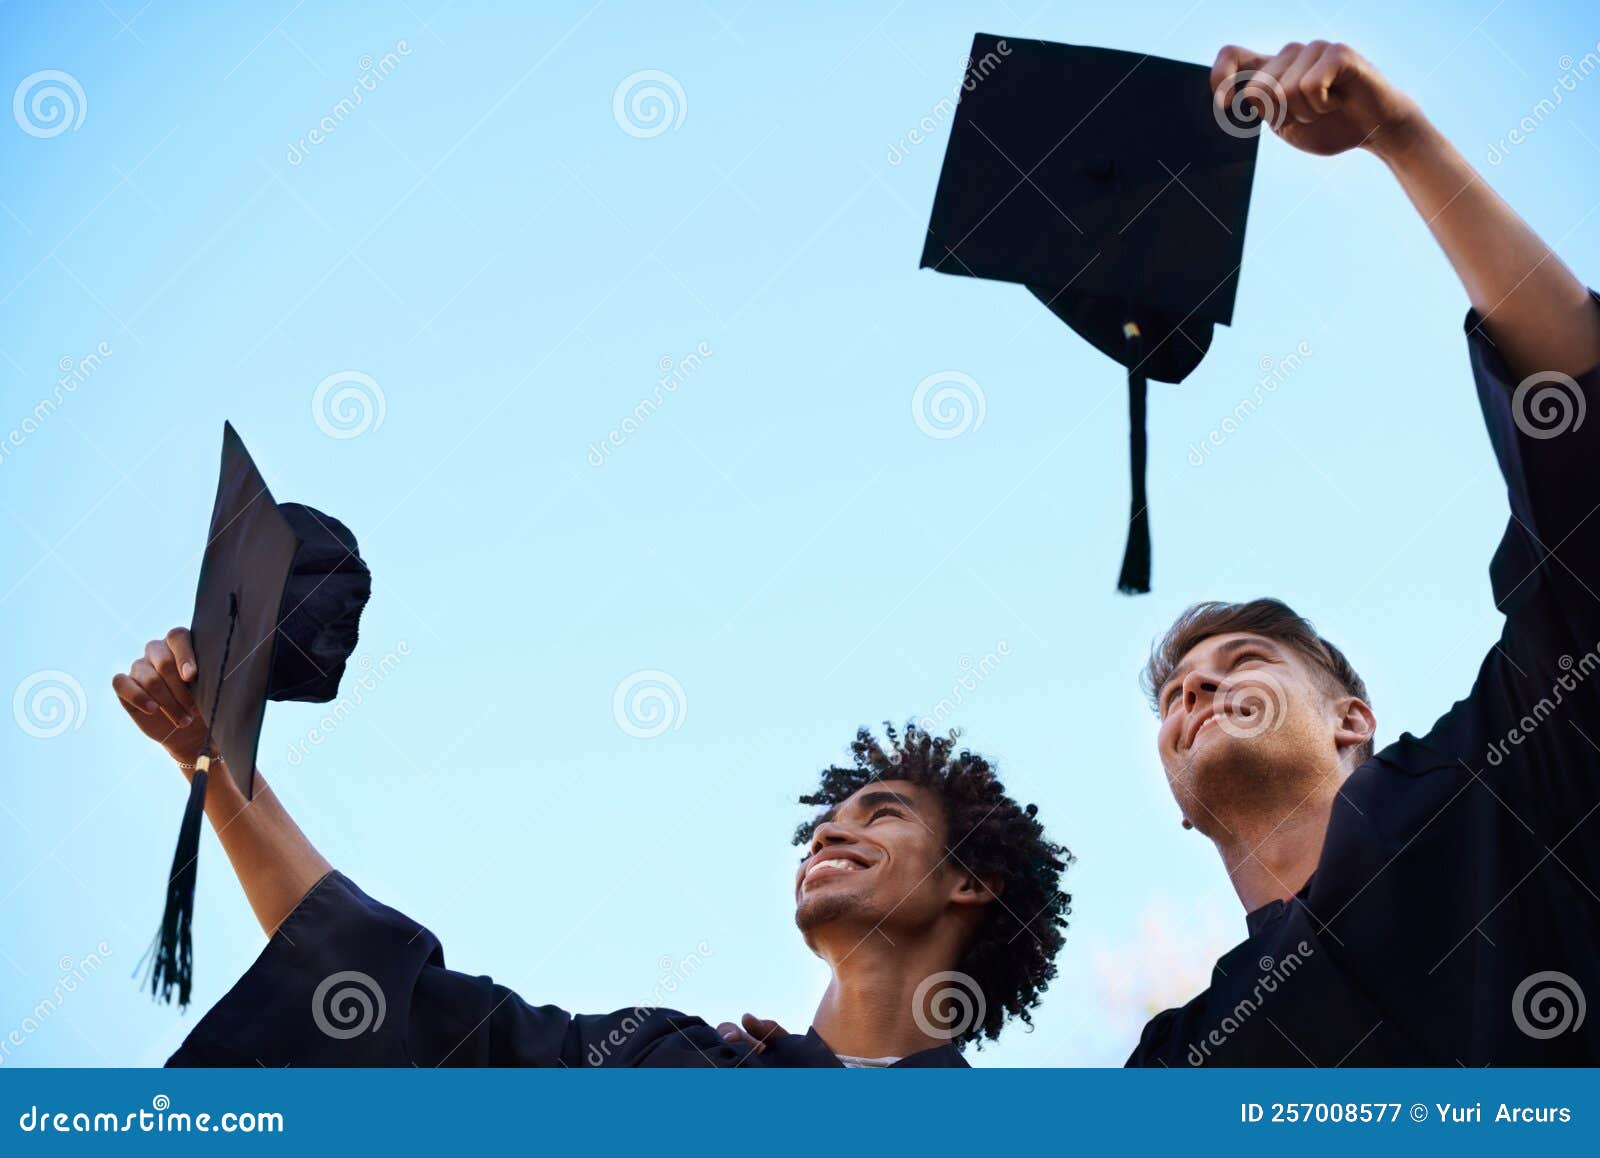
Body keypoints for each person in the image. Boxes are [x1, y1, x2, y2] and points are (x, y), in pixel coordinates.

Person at [1124, 40, 1600, 1065]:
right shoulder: (1180, 1061)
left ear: (1354, 720)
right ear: (1176, 806)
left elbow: (1582, 471)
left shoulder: (1504, 783)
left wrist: (1399, 136)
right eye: (1174, 697)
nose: (1196, 691)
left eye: (1238, 663)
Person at [113, 648, 1070, 1067]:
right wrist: (209, 759)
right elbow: (387, 996)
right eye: (823, 817)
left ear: (969, 881)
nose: (828, 829)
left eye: (883, 812)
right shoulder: (661, 1066)